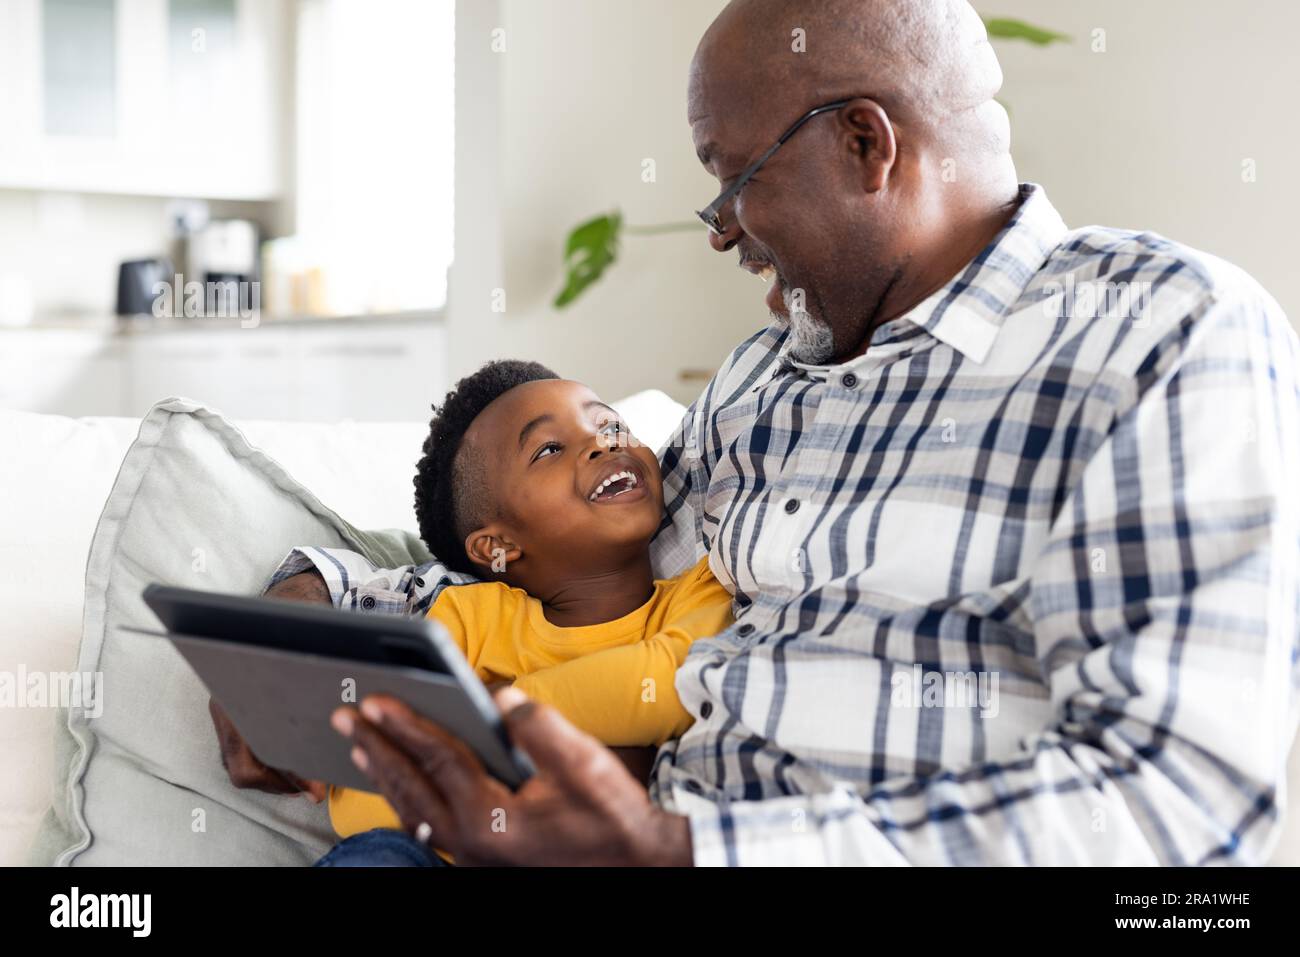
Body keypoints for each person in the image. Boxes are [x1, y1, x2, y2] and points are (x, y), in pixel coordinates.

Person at [214, 0, 1300, 865]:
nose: (722, 230)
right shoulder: (760, 380)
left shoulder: (1162, 331)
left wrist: (680, 852)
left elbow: (1176, 807)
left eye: (731, 178)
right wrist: (305, 619)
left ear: (865, 143)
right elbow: (561, 567)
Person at [324, 359, 733, 848]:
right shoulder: (466, 619)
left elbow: (675, 685)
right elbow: (354, 800)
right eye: (550, 449)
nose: (603, 441)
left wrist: (490, 717)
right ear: (498, 547)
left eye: (610, 424)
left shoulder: (704, 586)